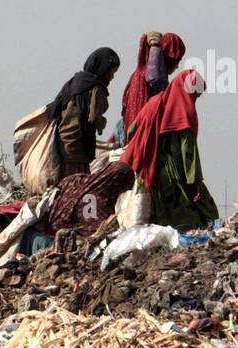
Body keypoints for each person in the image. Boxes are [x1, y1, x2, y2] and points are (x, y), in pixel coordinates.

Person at [122, 68, 219, 230]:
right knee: (201, 213)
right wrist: (196, 183)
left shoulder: (153, 103)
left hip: (148, 171)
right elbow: (188, 153)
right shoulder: (184, 113)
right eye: (196, 95)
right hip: (173, 175)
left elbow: (132, 130)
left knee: (159, 215)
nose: (194, 100)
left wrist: (148, 148)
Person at [46, 47, 121, 179]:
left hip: (61, 141)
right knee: (78, 187)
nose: (113, 76)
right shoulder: (97, 88)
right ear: (103, 68)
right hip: (78, 146)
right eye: (113, 71)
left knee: (65, 185)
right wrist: (102, 122)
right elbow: (93, 118)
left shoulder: (74, 81)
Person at [119, 32, 186, 142]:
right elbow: (155, 80)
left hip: (133, 134)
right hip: (144, 135)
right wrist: (155, 49)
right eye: (176, 59)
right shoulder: (152, 75)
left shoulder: (138, 74)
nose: (177, 65)